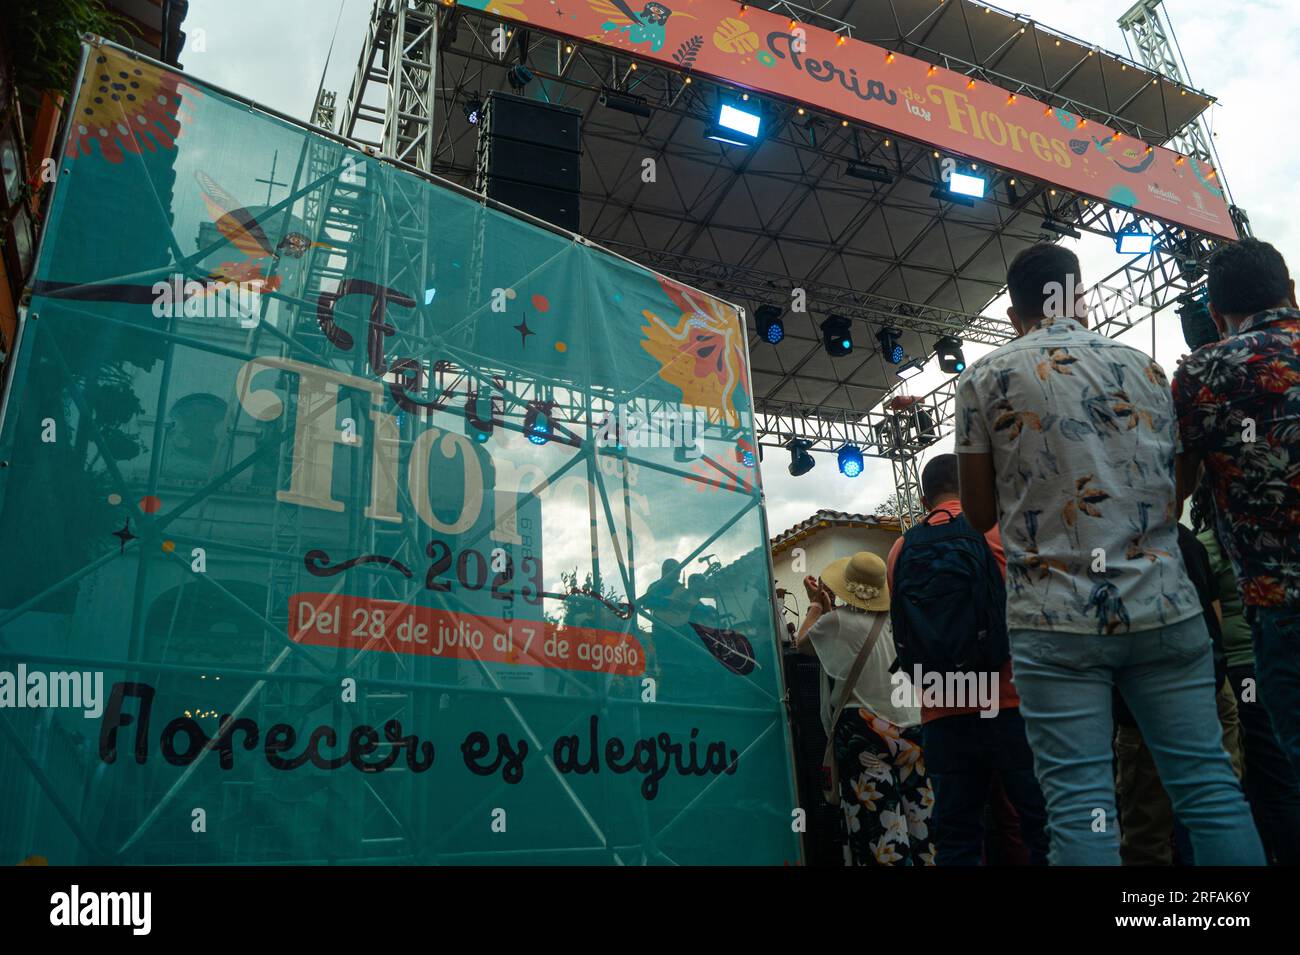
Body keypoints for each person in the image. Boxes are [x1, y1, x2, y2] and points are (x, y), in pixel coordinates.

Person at [954, 242, 1263, 865]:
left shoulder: (984, 377)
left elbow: (980, 514)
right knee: (1209, 789)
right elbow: (1173, 496)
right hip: (1165, 608)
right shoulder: (1146, 369)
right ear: (1081, 295)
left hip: (1053, 620)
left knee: (1079, 806)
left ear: (1015, 312)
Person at [1172, 238, 1300, 778]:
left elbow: (1173, 491)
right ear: (1291, 289)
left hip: (1280, 605)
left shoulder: (1202, 375)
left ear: (1215, 314)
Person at [886, 453, 1048, 865]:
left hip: (941, 713)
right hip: (1009, 702)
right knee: (1039, 825)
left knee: (956, 836)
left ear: (924, 500)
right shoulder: (999, 532)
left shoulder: (900, 551)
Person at [1113, 522, 1245, 865]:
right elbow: (1214, 615)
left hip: (1141, 701)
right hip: (1211, 687)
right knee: (1219, 810)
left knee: (1146, 832)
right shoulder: (1186, 537)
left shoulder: (1106, 544)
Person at [795, 552, 932, 866]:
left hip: (866, 731)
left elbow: (803, 642)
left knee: (880, 831)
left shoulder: (839, 621)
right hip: (912, 726)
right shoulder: (897, 621)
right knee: (920, 823)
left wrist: (816, 606)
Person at [1192, 473, 1300, 864]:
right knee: (1280, 769)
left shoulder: (1204, 546)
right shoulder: (1262, 542)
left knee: (1251, 774)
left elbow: (1214, 622)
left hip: (1239, 671)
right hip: (1269, 658)